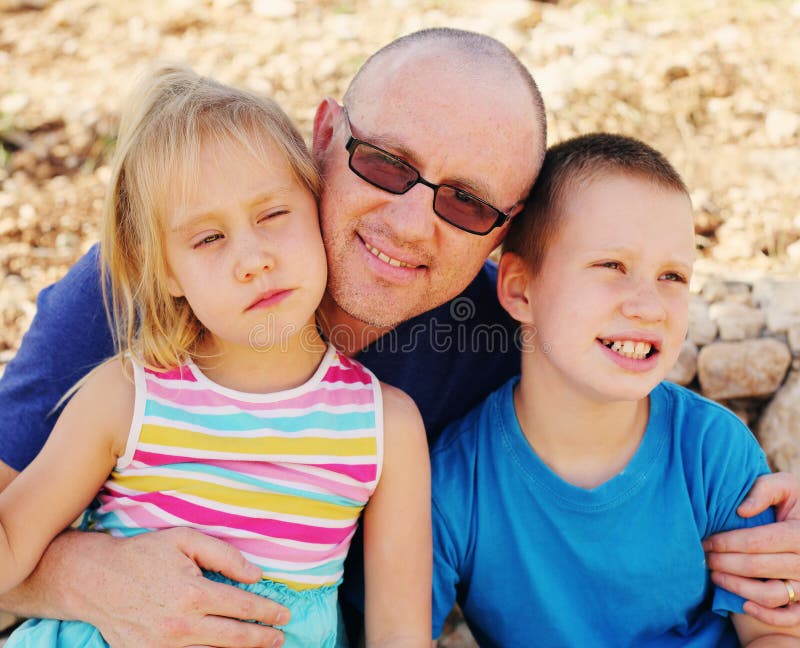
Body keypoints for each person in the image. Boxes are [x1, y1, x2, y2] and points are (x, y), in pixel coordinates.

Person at [0, 28, 799, 648]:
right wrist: (82, 576)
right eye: (385, 164)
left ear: (502, 239)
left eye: (467, 202)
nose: (412, 222)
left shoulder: (496, 339)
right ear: (324, 136)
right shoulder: (147, 289)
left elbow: (626, 396)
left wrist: (771, 531)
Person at [0, 63, 431, 648]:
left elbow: (398, 633)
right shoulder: (126, 396)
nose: (251, 258)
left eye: (273, 214)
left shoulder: (386, 427)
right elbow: (9, 541)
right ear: (167, 273)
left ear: (319, 207)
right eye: (208, 238)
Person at [430, 133, 800, 646]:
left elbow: (773, 634)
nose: (649, 307)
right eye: (612, 266)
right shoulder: (454, 483)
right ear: (519, 289)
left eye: (672, 275)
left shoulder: (712, 450)